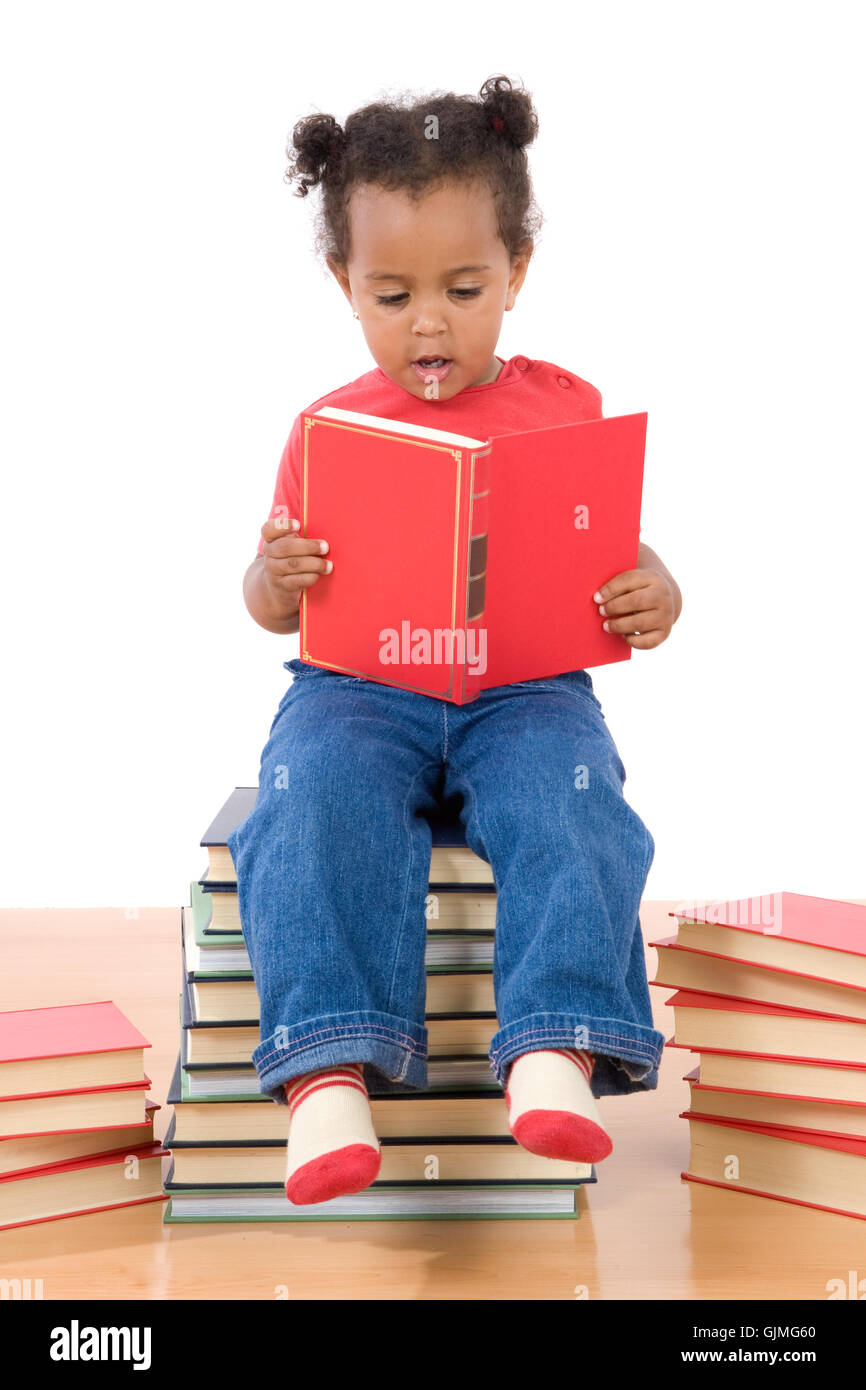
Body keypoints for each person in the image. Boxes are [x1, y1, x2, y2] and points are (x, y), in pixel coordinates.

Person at [227, 75, 682, 1206]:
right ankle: (328, 1076)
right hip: (357, 688)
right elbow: (270, 599)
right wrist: (271, 578)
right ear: (344, 285)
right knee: (308, 793)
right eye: (391, 294)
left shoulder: (561, 406)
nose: (428, 322)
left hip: (524, 689)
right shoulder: (325, 430)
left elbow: (616, 551)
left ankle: (550, 1047)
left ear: (516, 273)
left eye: (463, 288)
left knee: (575, 800)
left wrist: (654, 590)